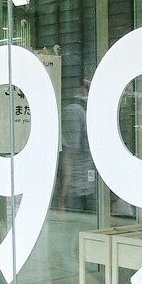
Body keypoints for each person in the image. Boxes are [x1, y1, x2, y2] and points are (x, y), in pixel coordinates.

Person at [58, 77, 95, 212]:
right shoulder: (78, 111)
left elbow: (70, 155)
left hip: (81, 188)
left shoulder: (78, 111)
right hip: (80, 189)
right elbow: (70, 155)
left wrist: (61, 199)